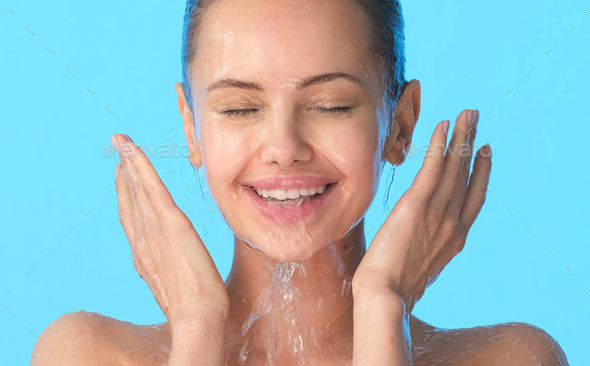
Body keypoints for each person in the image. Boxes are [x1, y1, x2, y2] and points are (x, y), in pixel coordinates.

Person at [31, 0, 569, 365]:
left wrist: (383, 312)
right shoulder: (85, 354)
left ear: (400, 124)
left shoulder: (512, 359)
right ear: (191, 128)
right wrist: (197, 332)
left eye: (329, 104)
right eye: (240, 108)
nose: (284, 147)